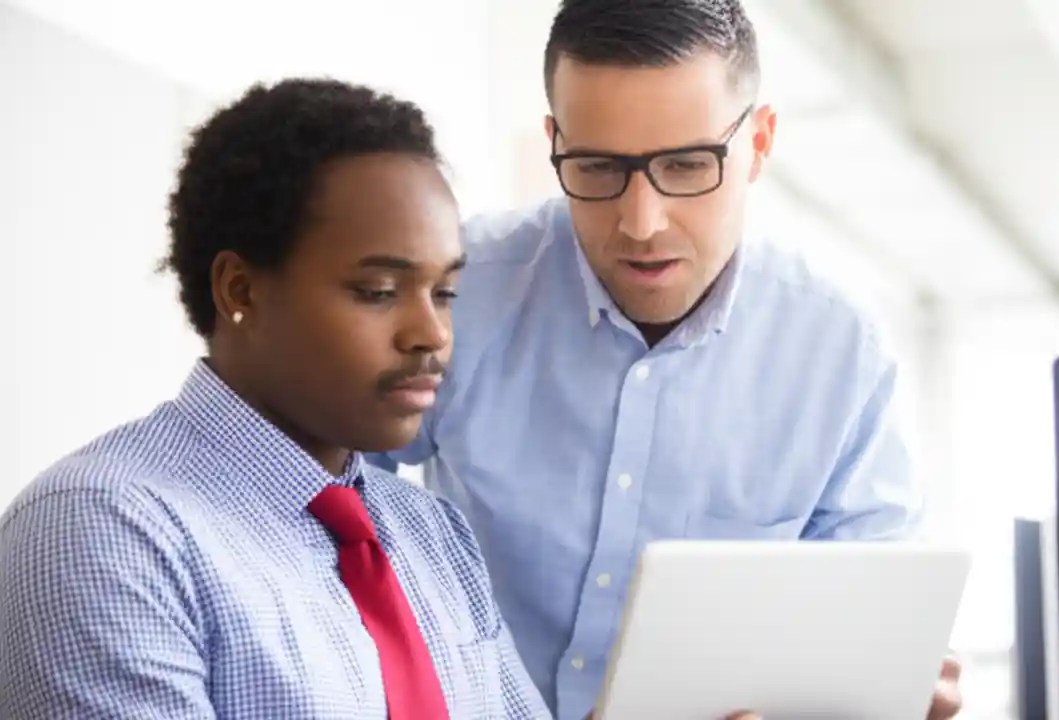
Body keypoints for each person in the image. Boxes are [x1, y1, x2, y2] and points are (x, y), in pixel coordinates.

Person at [369, 1, 963, 719]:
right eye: (596, 167)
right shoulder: (460, 290)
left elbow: (875, 615)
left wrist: (885, 687)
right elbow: (328, 518)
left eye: (687, 165)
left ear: (761, 142)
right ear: (556, 142)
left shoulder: (841, 354)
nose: (641, 224)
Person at [0, 78, 551, 719]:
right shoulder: (105, 530)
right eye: (378, 290)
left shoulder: (434, 533)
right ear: (240, 290)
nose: (431, 333)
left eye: (445, 293)